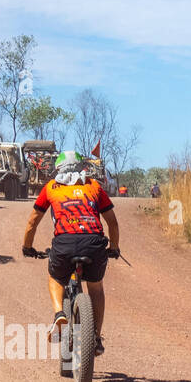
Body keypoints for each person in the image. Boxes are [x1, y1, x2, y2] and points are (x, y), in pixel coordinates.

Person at [22, 150, 120, 355]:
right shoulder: (94, 186)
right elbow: (112, 221)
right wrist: (114, 248)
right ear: (81, 167)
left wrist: (27, 247)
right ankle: (96, 337)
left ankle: (59, 314)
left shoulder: (51, 188)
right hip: (94, 243)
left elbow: (33, 221)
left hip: (64, 243)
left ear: (57, 169)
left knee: (56, 278)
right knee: (96, 288)